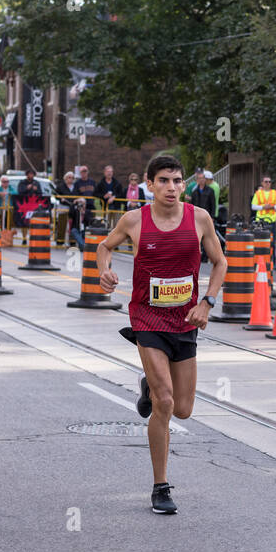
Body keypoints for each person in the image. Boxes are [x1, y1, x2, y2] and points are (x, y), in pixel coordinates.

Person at [98, 154, 227, 516]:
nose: (171, 187)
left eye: (177, 181)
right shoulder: (134, 220)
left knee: (184, 410)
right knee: (166, 402)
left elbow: (220, 262)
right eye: (164, 181)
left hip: (186, 321)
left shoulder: (199, 218)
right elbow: (103, 247)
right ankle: (160, 486)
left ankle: (147, 386)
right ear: (150, 185)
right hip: (147, 318)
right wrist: (104, 271)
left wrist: (207, 303)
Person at [15, 169, 43, 245]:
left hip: (34, 205)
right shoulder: (22, 182)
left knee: (33, 222)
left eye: (32, 174)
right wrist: (27, 188)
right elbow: (19, 191)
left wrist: (36, 190)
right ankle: (24, 238)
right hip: (25, 205)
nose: (31, 175)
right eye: (29, 174)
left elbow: (41, 193)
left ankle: (33, 238)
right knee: (24, 222)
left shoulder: (36, 183)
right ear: (27, 175)